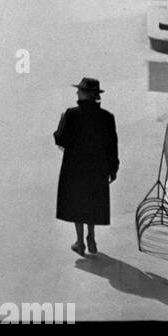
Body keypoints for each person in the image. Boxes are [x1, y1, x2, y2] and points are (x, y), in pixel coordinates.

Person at [55, 77, 119, 256]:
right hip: (97, 169)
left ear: (84, 94)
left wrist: (60, 125)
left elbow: (61, 140)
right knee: (92, 203)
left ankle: (80, 242)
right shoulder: (107, 117)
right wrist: (113, 168)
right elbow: (112, 145)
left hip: (75, 169)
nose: (77, 93)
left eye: (79, 90)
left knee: (77, 204)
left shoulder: (72, 114)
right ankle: (92, 238)